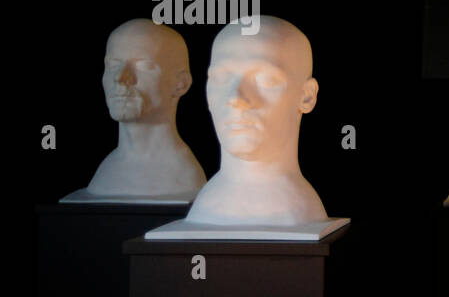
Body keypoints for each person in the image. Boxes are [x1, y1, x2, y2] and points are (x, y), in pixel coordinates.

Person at [186, 17, 328, 226]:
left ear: (307, 96)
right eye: (222, 78)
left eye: (266, 79)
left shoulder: (299, 210)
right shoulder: (207, 206)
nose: (236, 98)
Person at [85, 18, 206, 199]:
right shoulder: (106, 172)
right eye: (112, 65)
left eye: (144, 66)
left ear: (181, 84)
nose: (120, 77)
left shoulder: (183, 175)